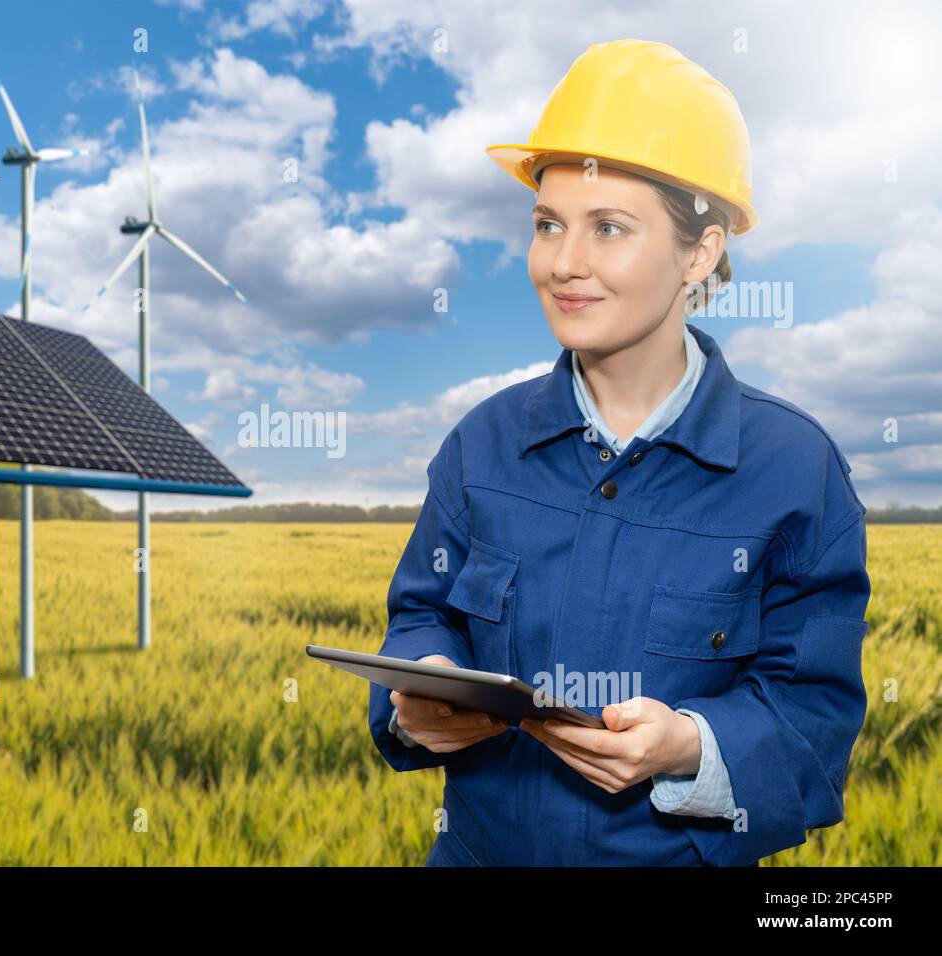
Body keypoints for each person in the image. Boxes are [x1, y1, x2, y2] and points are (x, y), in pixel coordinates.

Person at [368, 40, 871, 866]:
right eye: (547, 225)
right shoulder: (480, 445)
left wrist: (690, 748)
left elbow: (815, 718)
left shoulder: (797, 472)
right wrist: (417, 686)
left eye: (609, 228)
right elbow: (424, 613)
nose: (564, 263)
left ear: (699, 253)